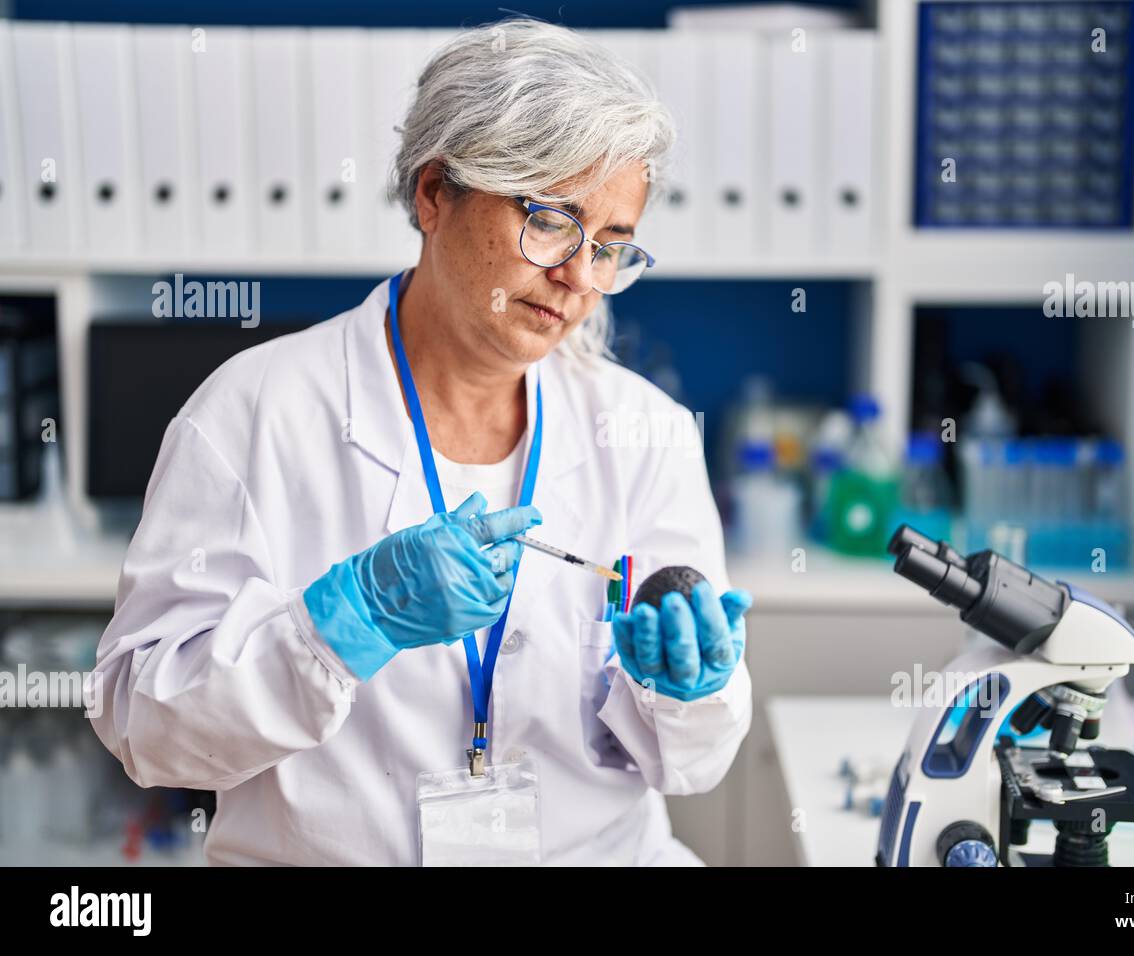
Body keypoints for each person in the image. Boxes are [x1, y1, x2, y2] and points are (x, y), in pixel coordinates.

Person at [89, 17, 753, 865]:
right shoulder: (251, 414)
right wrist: (340, 625)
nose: (581, 278)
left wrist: (686, 689)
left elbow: (690, 766)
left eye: (613, 247)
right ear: (434, 194)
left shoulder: (645, 432)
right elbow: (147, 731)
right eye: (550, 221)